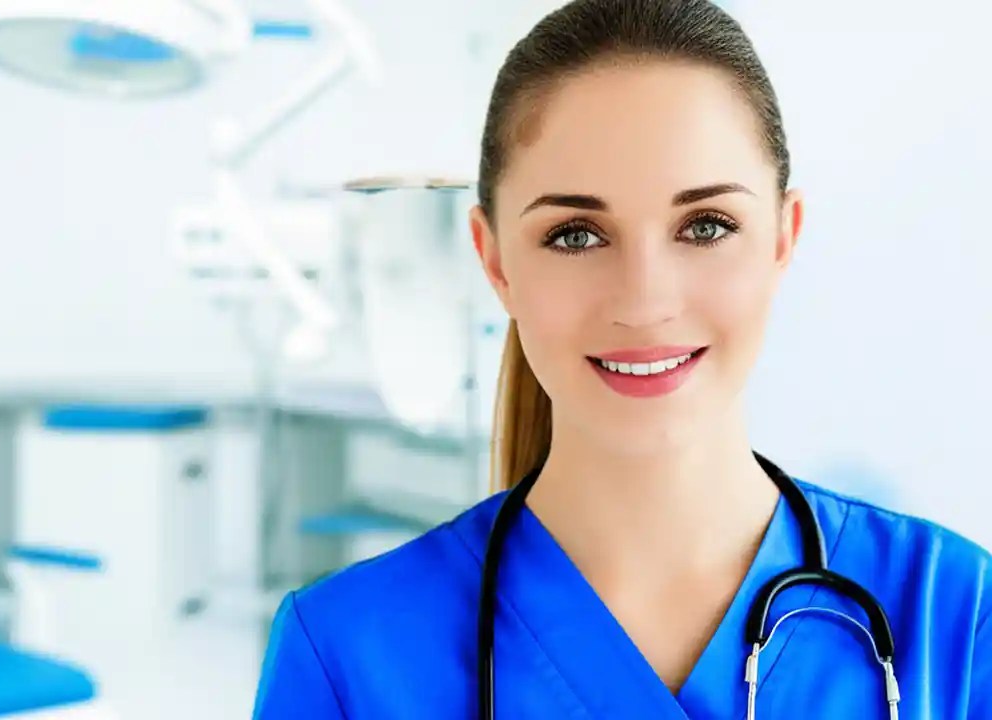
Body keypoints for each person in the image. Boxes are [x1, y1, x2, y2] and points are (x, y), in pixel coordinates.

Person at [251, 0, 991, 717]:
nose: (644, 300)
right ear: (495, 260)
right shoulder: (349, 657)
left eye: (705, 225)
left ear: (782, 238)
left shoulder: (953, 619)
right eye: (576, 234)